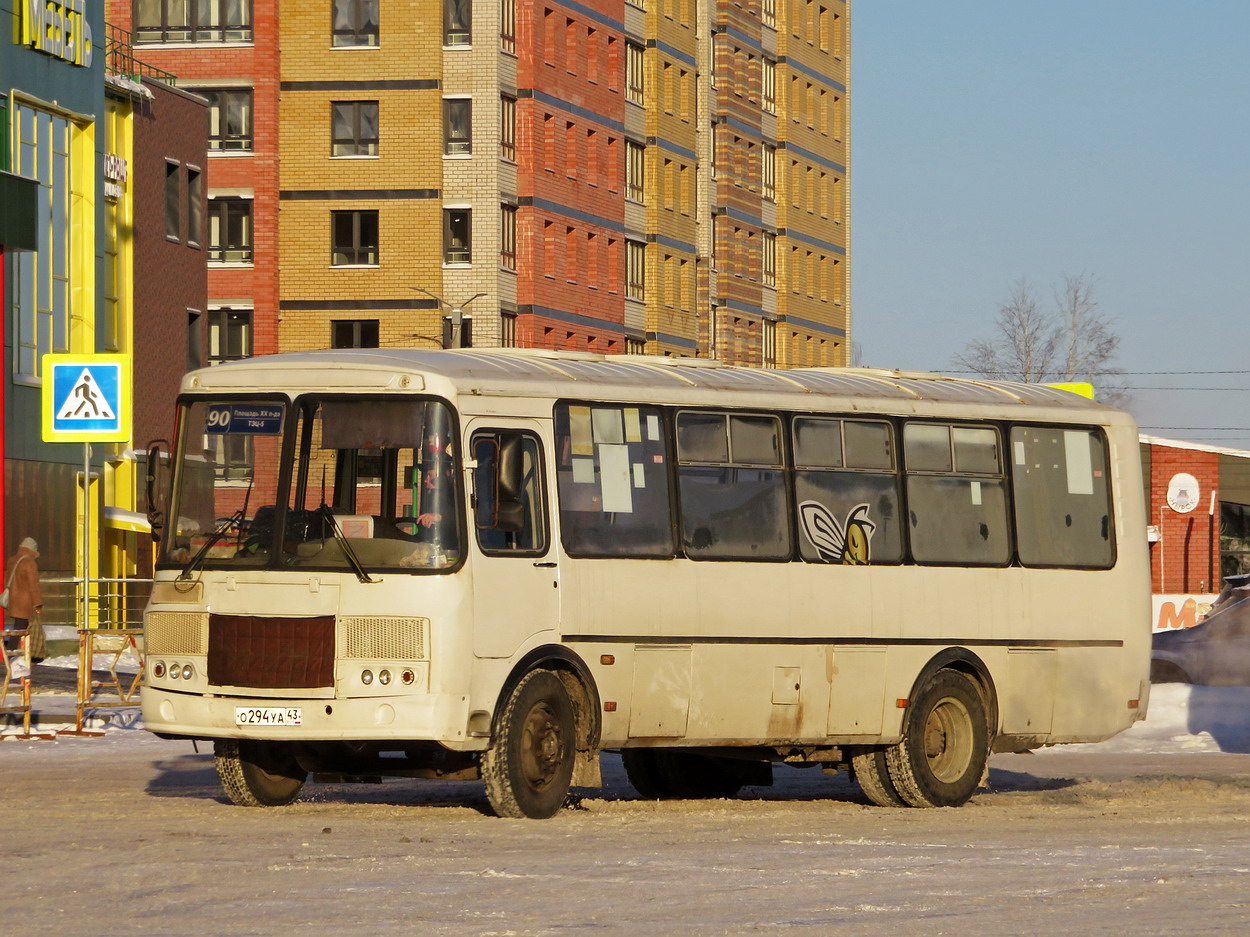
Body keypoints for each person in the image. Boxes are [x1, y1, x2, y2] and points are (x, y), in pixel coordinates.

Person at [4, 537, 45, 678]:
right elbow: (33, 586)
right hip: (26, 603)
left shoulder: (12, 560)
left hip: (14, 601)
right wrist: (37, 603)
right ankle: (11, 657)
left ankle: (12, 656)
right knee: (22, 630)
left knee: (18, 629)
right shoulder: (29, 562)